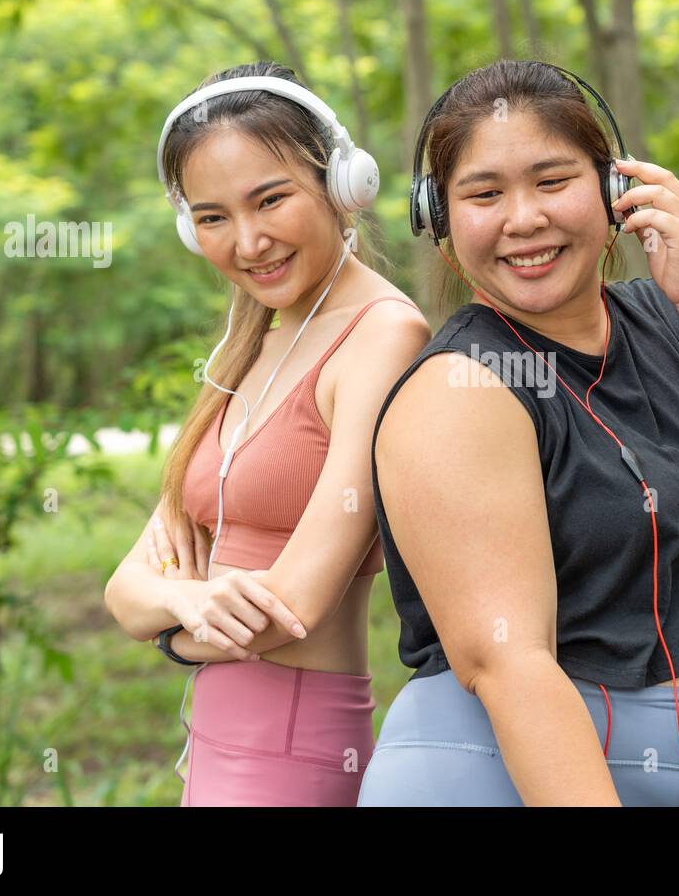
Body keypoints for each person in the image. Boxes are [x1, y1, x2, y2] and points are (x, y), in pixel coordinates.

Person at [356, 60, 679, 806]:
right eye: (485, 193)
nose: (523, 218)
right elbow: (509, 664)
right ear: (440, 220)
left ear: (617, 190)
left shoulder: (677, 321)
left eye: (552, 181)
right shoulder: (459, 391)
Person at [103, 61, 429, 806]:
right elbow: (124, 590)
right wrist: (183, 607)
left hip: (292, 740)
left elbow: (293, 604)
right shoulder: (249, 342)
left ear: (344, 184)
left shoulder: (385, 333)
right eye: (213, 217)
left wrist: (169, 629)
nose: (247, 243)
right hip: (216, 739)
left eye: (270, 199)